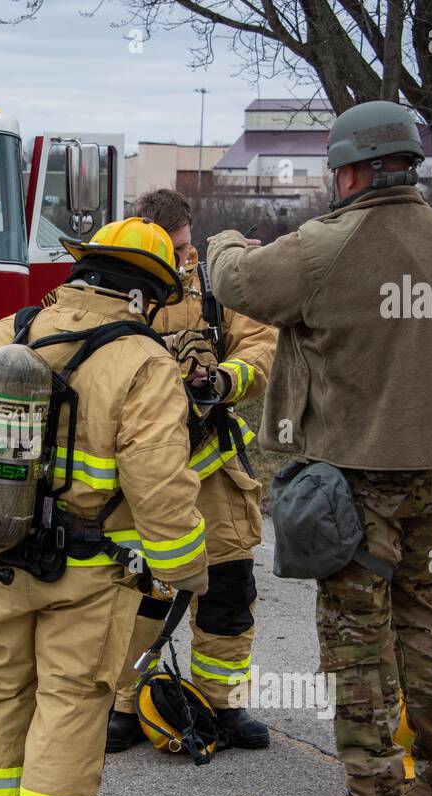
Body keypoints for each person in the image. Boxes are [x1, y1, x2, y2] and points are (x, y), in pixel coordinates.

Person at [205, 101, 432, 796]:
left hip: (353, 476)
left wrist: (221, 238)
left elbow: (235, 284)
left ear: (349, 170)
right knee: (428, 619)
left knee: (356, 636)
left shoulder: (324, 246)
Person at [0, 218, 211, 796]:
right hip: (88, 573)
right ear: (143, 295)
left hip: (0, 552)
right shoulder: (144, 360)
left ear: (81, 272)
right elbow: (158, 479)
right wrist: (185, 567)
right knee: (71, 697)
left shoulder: (10, 329)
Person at [106, 188, 277, 754]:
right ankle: (124, 703)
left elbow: (261, 349)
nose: (184, 261)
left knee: (228, 588)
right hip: (140, 474)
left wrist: (225, 378)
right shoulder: (117, 290)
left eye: (187, 248)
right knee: (141, 590)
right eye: (172, 252)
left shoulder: (215, 290)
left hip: (212, 468)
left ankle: (222, 703)